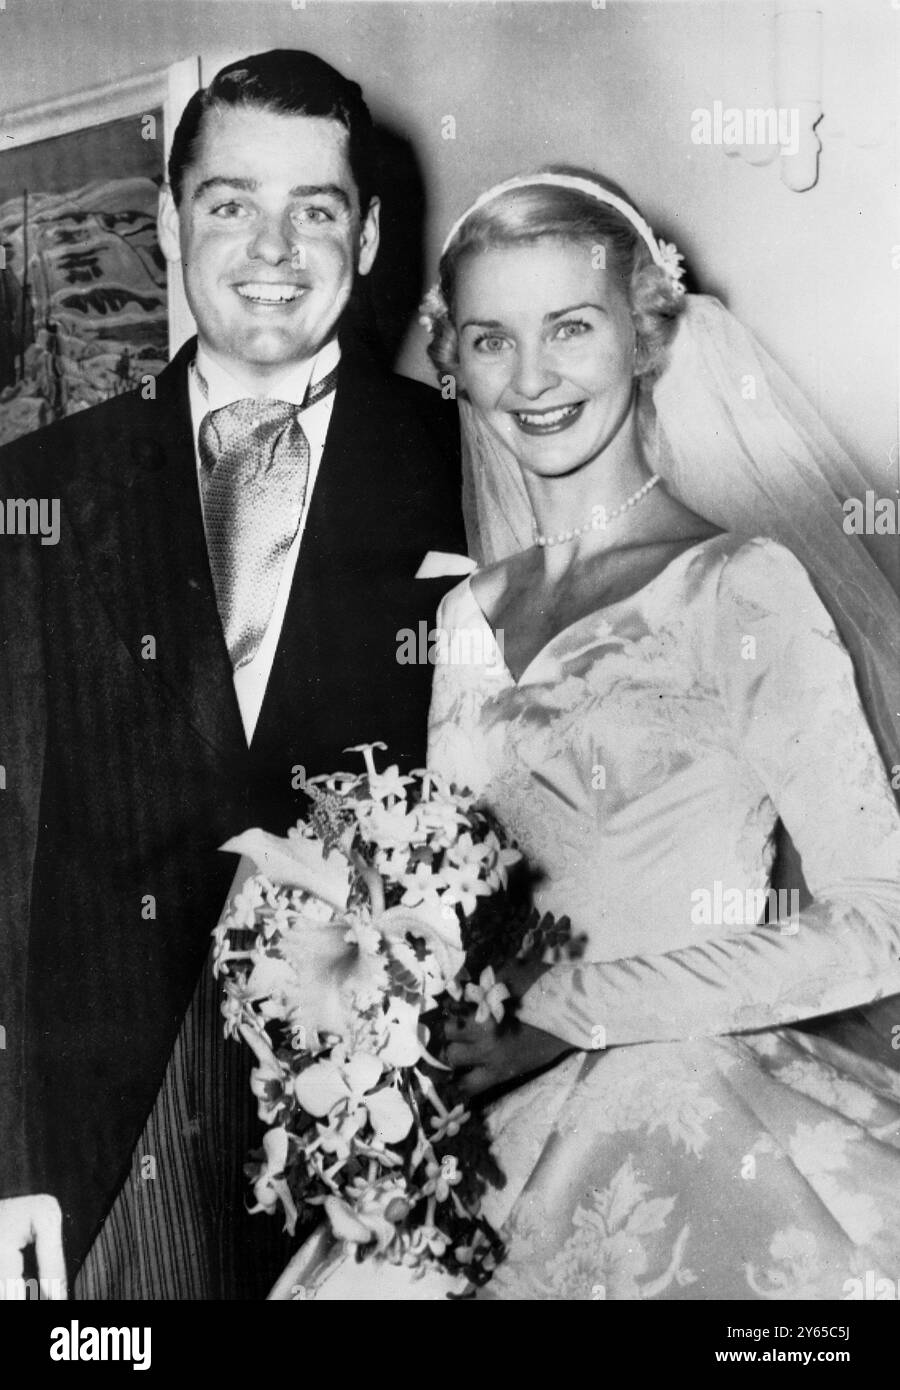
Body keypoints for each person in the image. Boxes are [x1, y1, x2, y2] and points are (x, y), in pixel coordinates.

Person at [282, 168, 900, 1300]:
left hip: (695, 1116)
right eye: (489, 339)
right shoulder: (463, 618)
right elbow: (456, 904)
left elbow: (881, 920)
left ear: (647, 332)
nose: (532, 378)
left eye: (571, 327)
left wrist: (572, 1010)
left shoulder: (737, 586)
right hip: (493, 1132)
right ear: (453, 362)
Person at [0, 49, 465, 1300]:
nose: (273, 246)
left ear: (366, 241)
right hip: (103, 1133)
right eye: (228, 204)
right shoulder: (34, 490)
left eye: (315, 208)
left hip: (375, 1131)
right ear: (170, 223)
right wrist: (9, 1151)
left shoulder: (470, 466)